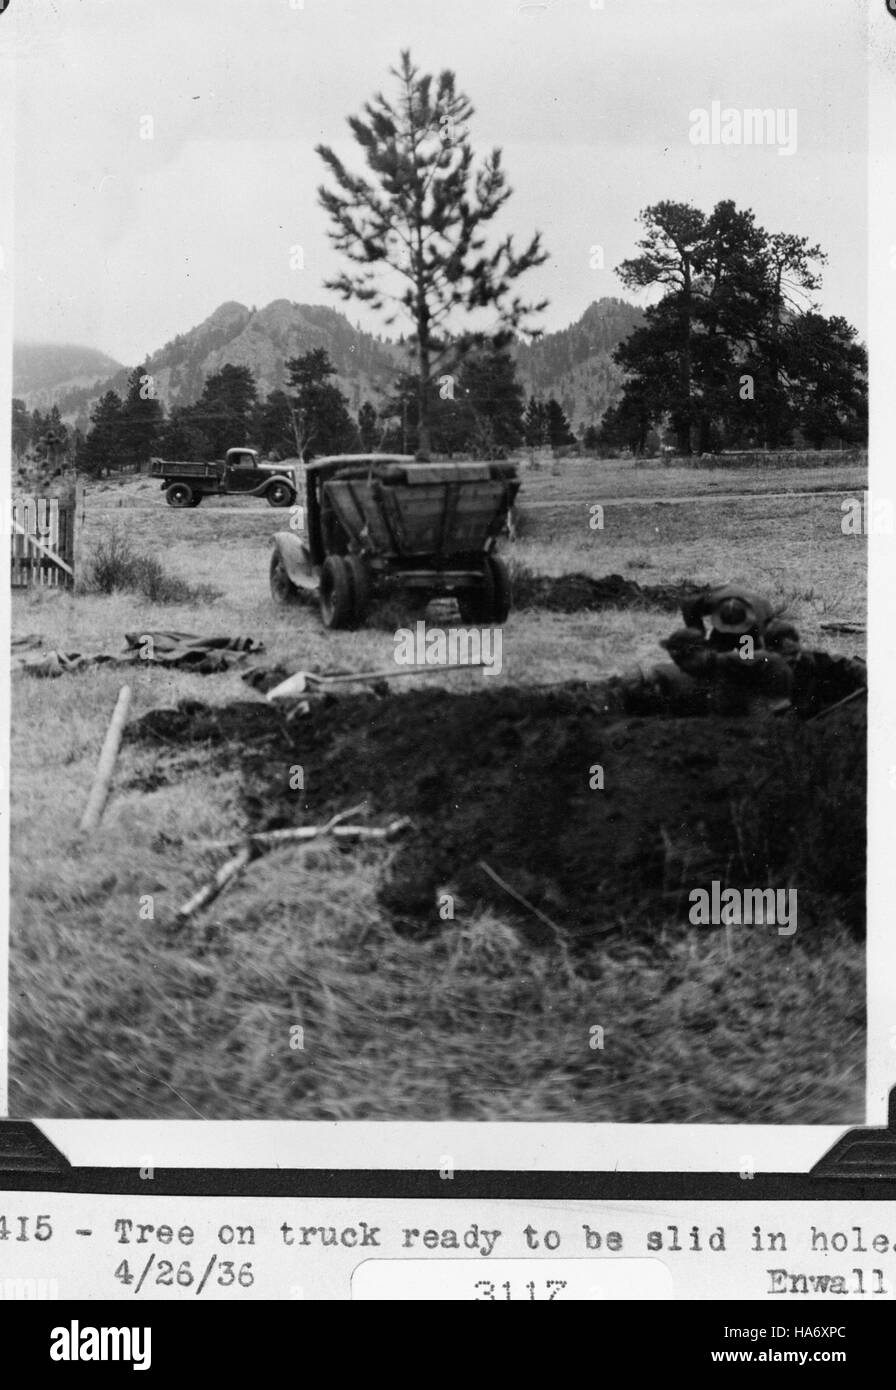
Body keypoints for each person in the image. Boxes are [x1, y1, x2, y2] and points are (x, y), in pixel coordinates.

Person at [680, 583, 774, 652]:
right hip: (723, 630)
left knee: (749, 661)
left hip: (748, 632)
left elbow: (766, 644)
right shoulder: (711, 600)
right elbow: (689, 605)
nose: (732, 630)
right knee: (715, 657)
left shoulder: (760, 614)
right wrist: (697, 632)